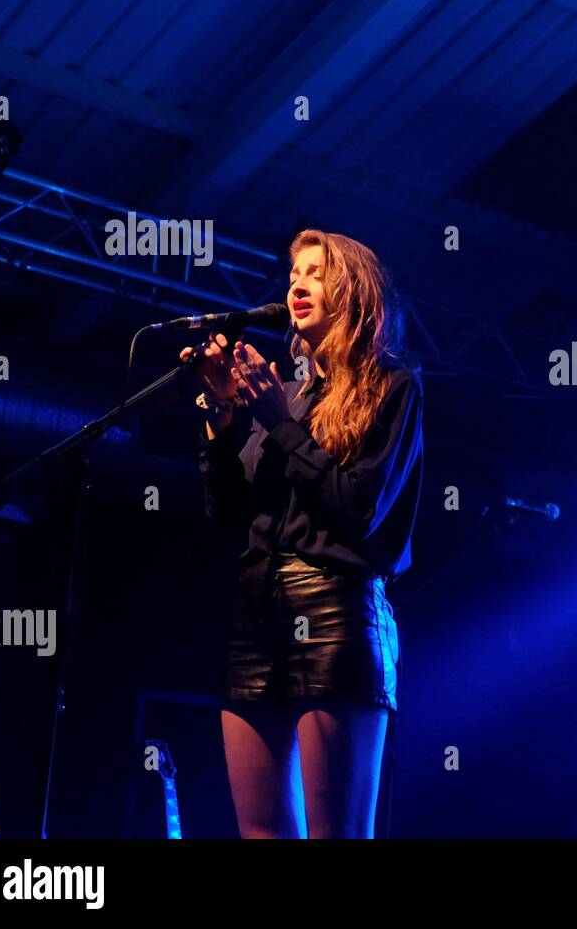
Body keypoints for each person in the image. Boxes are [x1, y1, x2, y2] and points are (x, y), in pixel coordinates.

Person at [181, 229, 423, 838]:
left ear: (352, 293)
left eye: (315, 272)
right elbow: (229, 512)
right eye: (293, 273)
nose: (296, 283)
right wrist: (221, 417)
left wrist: (279, 425)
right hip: (255, 608)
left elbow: (357, 510)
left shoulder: (391, 389)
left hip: (335, 608)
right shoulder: (282, 396)